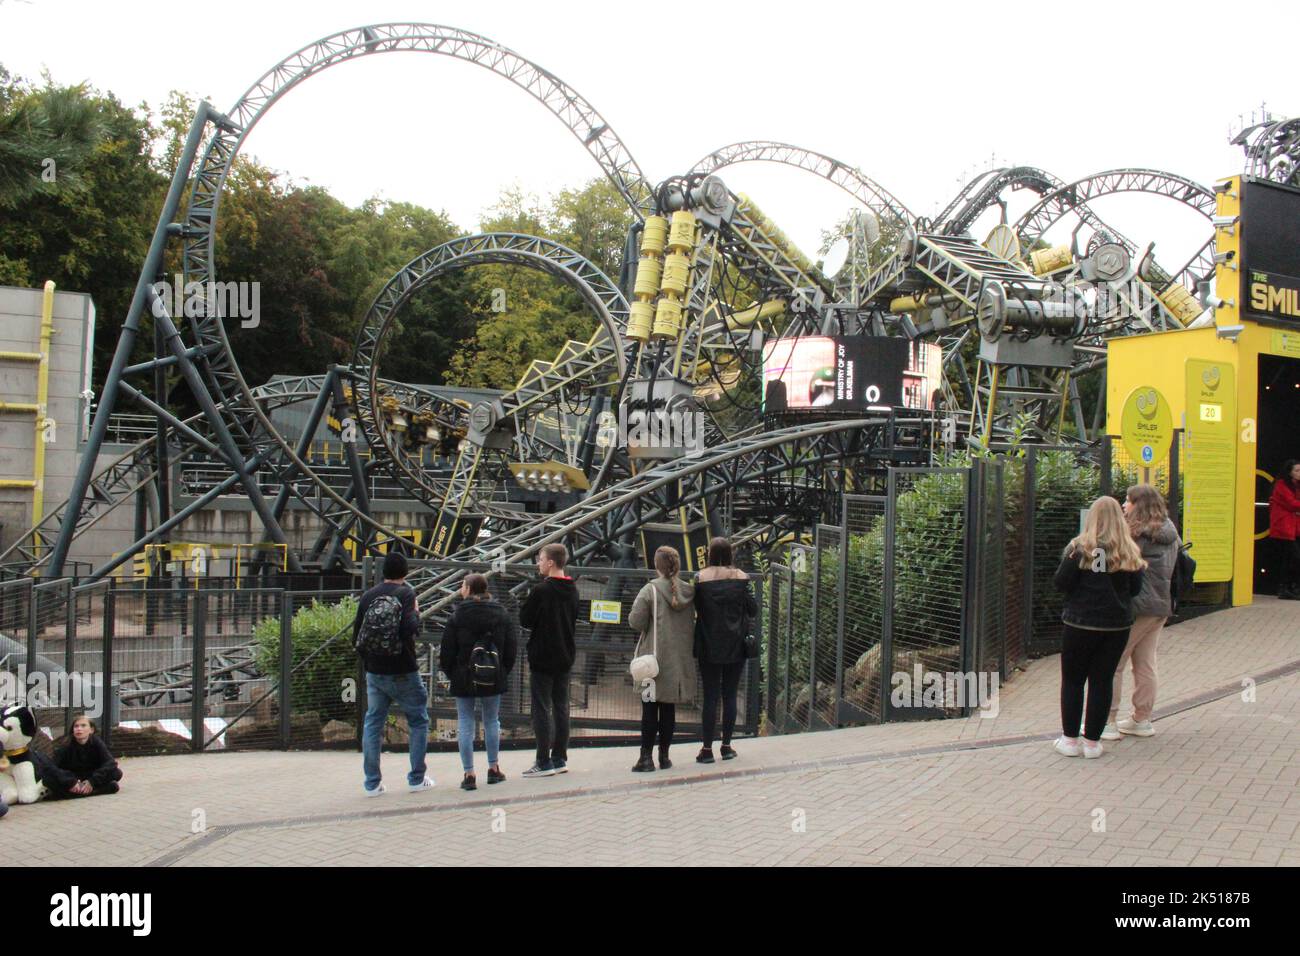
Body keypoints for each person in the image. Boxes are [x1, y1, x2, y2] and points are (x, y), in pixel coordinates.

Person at [1052, 496, 1146, 759]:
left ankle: (1070, 740)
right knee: (1102, 681)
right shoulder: (1128, 550)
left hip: (1079, 623)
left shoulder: (1079, 548)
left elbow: (1061, 582)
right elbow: (1136, 589)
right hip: (1116, 626)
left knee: (1072, 680)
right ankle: (1093, 742)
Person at [1102, 486, 1181, 741]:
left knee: (1113, 663)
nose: (1124, 505)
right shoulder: (1170, 531)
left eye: (1128, 501)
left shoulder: (1136, 534)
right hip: (1161, 604)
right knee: (1145, 663)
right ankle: (1141, 718)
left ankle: (1108, 721)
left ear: (1140, 505)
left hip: (1137, 606)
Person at [354, 550, 433, 796]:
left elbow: (356, 635)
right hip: (403, 669)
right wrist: (417, 612)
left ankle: (372, 783)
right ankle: (416, 779)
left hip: (375, 671)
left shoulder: (368, 596)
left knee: (373, 723)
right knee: (418, 721)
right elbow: (410, 628)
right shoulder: (407, 593)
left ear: (383, 572)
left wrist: (370, 662)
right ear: (405, 572)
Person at [440, 573, 517, 791]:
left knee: (465, 722)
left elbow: (446, 653)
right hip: (492, 674)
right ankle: (493, 769)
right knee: (491, 721)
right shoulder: (501, 614)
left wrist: (453, 673)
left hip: (464, 676)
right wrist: (501, 670)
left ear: (469, 589)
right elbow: (511, 648)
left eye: (462, 585)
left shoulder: (457, 616)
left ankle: (469, 773)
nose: (460, 589)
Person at [627, 546, 696, 772]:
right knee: (668, 709)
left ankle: (645, 758)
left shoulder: (650, 590)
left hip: (652, 663)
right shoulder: (688, 591)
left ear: (656, 565)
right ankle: (664, 757)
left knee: (649, 709)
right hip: (676, 661)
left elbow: (635, 622)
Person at [693, 537, 757, 763]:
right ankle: (727, 746)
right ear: (730, 554)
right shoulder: (741, 578)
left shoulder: (700, 578)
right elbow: (753, 609)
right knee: (729, 694)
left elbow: (696, 607)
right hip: (736, 644)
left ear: (709, 553)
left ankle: (707, 749)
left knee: (711, 696)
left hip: (708, 643)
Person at [519, 542, 579, 778]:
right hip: (565, 654)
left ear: (551, 562)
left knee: (541, 708)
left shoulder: (541, 591)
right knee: (561, 706)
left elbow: (525, 619)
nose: (538, 563)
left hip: (543, 655)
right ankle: (560, 756)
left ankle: (543, 760)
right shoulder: (573, 590)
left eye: (541, 559)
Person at [48, 715, 122, 798]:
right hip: (72, 777)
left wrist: (92, 781)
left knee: (116, 773)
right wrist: (71, 782)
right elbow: (52, 768)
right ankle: (95, 791)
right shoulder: (65, 745)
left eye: (83, 726)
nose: (79, 729)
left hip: (90, 776)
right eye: (76, 726)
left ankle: (81, 792)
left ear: (91, 730)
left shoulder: (96, 742)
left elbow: (111, 762)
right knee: (52, 782)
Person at [1268, 459, 1300, 600]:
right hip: (1283, 526)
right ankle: (1284, 587)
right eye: (1297, 470)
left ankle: (1290, 587)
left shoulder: (1296, 485)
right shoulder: (1281, 485)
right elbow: (1292, 504)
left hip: (1293, 526)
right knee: (1293, 557)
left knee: (1290, 559)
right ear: (1289, 472)